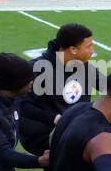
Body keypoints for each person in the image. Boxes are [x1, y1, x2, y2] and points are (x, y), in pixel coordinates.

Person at [16, 23, 97, 156]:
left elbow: (107, 84)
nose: (92, 51)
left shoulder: (83, 66)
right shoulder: (37, 69)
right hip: (42, 135)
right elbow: (21, 105)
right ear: (73, 50)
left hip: (73, 128)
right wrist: (55, 118)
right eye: (89, 46)